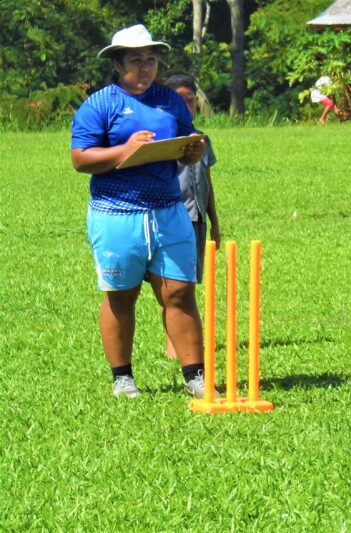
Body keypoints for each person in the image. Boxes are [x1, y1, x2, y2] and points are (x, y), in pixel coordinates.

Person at [70, 24, 208, 398]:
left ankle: (195, 376)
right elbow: (80, 159)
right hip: (116, 213)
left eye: (151, 60)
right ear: (117, 64)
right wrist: (124, 150)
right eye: (136, 60)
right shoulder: (100, 104)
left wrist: (192, 150)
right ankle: (123, 378)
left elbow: (187, 135)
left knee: (180, 292)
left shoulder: (170, 100)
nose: (145, 67)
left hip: (168, 209)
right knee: (121, 295)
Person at [163, 74, 221, 360]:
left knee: (191, 278)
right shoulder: (164, 137)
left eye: (191, 100)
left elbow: (206, 181)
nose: (187, 105)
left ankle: (185, 337)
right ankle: (173, 343)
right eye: (180, 100)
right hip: (173, 215)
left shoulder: (202, 139)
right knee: (173, 282)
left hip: (197, 217)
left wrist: (215, 222)